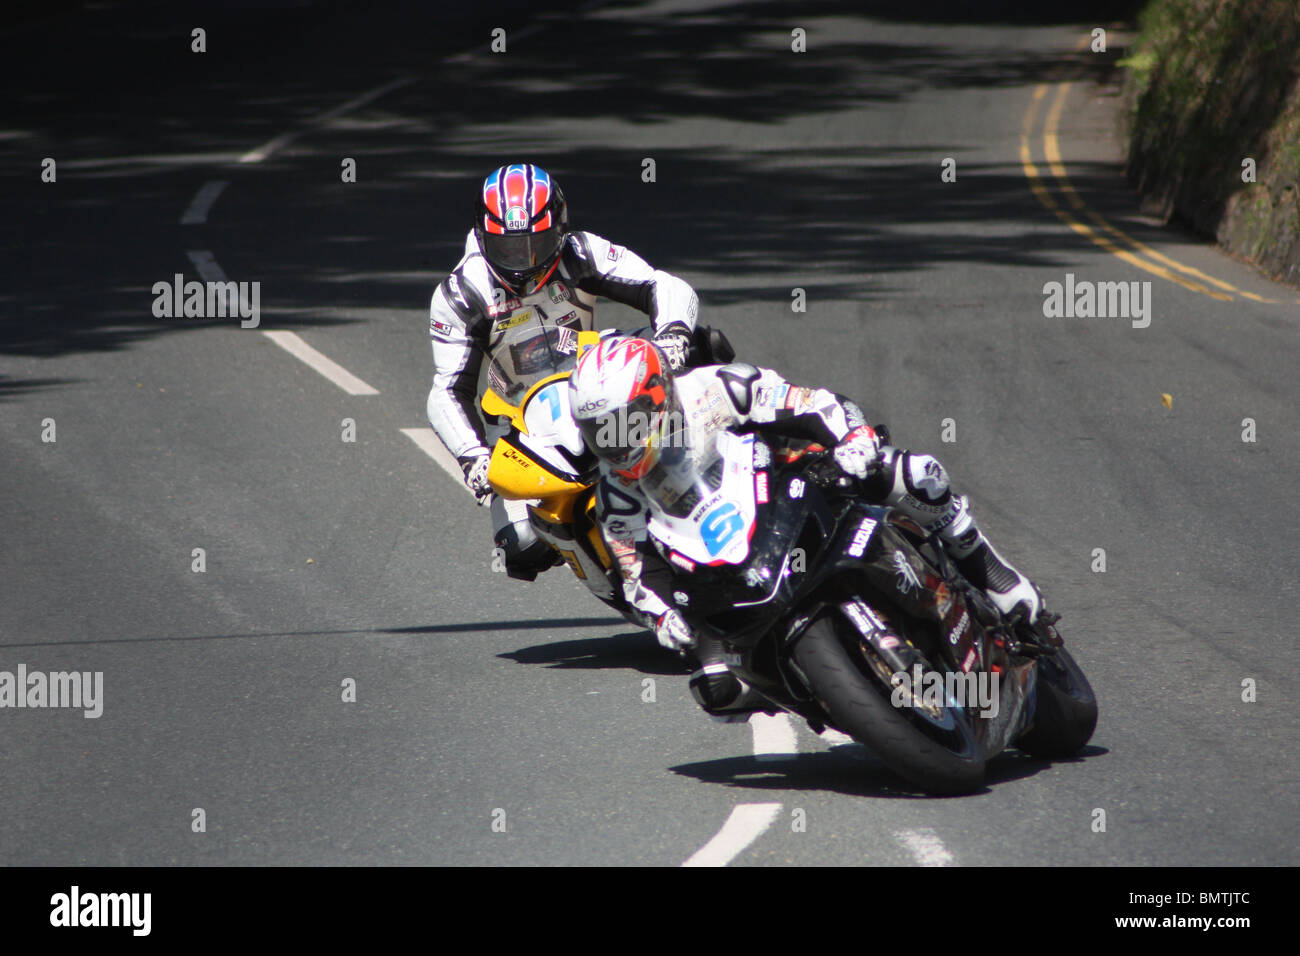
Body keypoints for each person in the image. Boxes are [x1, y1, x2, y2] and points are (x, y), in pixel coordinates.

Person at [567, 336, 1045, 717]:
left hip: (802, 481)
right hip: (732, 566)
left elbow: (810, 402)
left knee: (914, 473)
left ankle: (987, 568)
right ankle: (812, 692)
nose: (613, 442)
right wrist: (662, 615)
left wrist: (851, 440)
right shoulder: (615, 491)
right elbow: (634, 573)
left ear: (656, 396)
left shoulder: (716, 390)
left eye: (624, 423)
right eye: (599, 432)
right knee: (715, 690)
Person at [426, 163, 700, 579]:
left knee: (704, 347)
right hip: (523, 428)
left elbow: (664, 285)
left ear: (560, 227)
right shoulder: (460, 293)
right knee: (520, 547)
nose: (524, 261)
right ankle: (601, 566)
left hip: (598, 388)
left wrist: (673, 337)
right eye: (508, 248)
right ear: (483, 237)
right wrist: (474, 459)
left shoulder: (582, 251)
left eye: (536, 243)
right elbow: (447, 390)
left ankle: (735, 450)